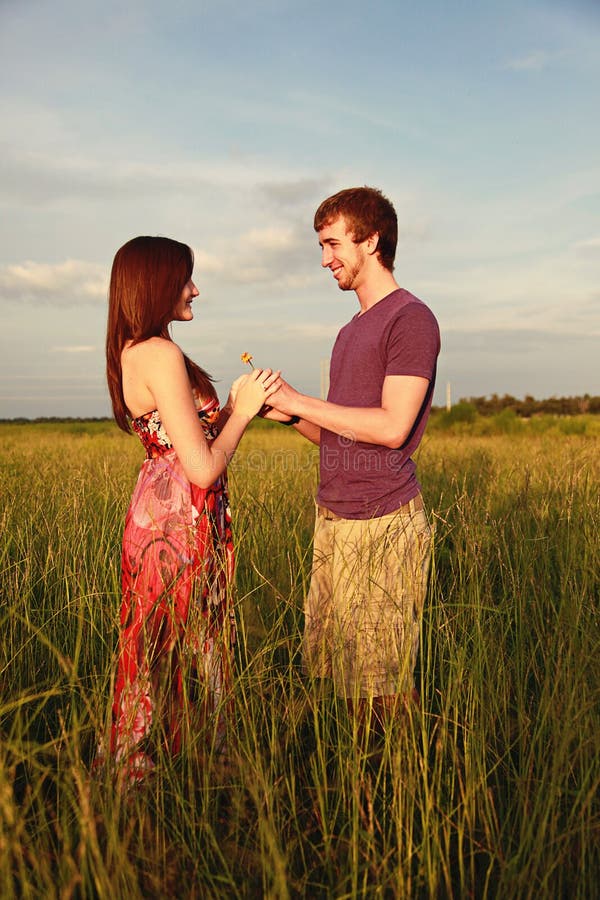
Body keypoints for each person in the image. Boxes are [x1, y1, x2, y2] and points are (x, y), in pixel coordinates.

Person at [100, 235, 280, 782]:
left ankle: (159, 767)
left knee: (158, 642)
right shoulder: (160, 353)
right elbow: (202, 468)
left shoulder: (136, 350)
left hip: (160, 513)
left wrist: (227, 410)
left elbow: (184, 442)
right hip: (179, 519)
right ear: (155, 283)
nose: (194, 289)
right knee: (189, 641)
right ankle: (181, 767)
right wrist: (244, 415)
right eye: (186, 279)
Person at [266, 187, 440, 733]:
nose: (325, 259)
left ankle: (407, 799)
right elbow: (342, 434)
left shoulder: (410, 319)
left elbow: (392, 428)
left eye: (333, 243)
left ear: (372, 240)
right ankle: (361, 801)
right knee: (343, 678)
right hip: (334, 519)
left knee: (383, 687)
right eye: (322, 246)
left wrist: (301, 400)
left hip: (382, 521)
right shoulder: (348, 333)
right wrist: (294, 415)